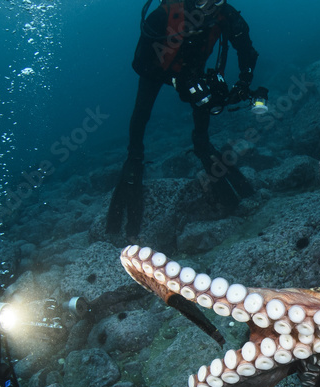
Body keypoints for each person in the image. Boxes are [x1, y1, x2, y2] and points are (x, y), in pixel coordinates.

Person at [107, 0, 259, 237]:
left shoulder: (224, 15)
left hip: (193, 71)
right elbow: (142, 64)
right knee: (142, 112)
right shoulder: (163, 16)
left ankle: (203, 145)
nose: (208, 5)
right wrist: (177, 81)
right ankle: (134, 157)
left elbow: (246, 49)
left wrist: (243, 82)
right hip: (159, 71)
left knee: (204, 101)